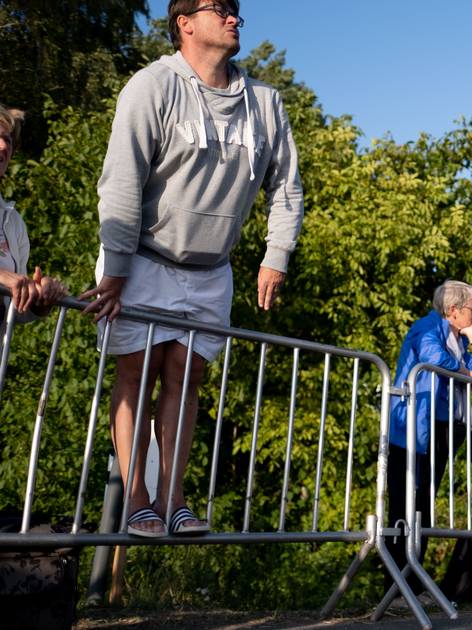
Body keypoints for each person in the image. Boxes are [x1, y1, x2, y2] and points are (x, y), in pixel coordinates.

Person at [81, 0, 304, 537]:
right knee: (136, 372)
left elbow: (286, 188)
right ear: (184, 22)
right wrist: (114, 267)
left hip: (212, 268)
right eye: (219, 9)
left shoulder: (266, 103)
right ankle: (137, 500)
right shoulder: (152, 85)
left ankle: (173, 500)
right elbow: (122, 181)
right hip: (143, 258)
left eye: (236, 12)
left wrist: (276, 256)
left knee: (186, 378)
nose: (233, 18)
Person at [386, 281, 472, 585]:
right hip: (412, 428)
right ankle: (396, 584)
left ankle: (412, 583)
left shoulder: (460, 339)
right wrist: (465, 371)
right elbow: (433, 358)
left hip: (445, 428)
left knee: (423, 504)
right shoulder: (427, 327)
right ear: (454, 309)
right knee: (404, 503)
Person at [0, 105, 67, 326]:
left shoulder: (12, 221)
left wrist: (39, 296)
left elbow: (15, 311)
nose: (3, 146)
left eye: (8, 140)